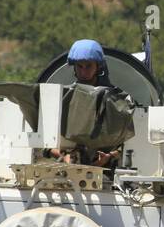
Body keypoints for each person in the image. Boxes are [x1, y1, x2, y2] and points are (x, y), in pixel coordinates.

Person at [49, 39, 132, 167]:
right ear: (74, 68)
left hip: (105, 170)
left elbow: (127, 139)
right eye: (80, 66)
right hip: (65, 169)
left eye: (88, 66)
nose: (84, 72)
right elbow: (46, 140)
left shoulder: (115, 99)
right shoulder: (64, 96)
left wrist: (108, 156)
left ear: (98, 67)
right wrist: (62, 156)